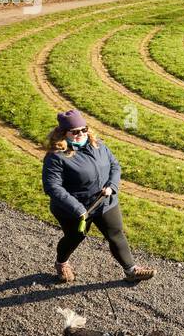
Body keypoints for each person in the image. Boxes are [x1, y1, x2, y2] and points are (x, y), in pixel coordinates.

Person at [42, 109, 154, 283]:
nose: (81, 134)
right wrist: (78, 209)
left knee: (116, 234)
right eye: (75, 131)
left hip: (105, 202)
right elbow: (52, 187)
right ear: (64, 133)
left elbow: (114, 166)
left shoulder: (98, 144)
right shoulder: (56, 157)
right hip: (74, 210)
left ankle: (131, 271)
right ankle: (61, 263)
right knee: (74, 237)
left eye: (83, 129)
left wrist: (112, 186)